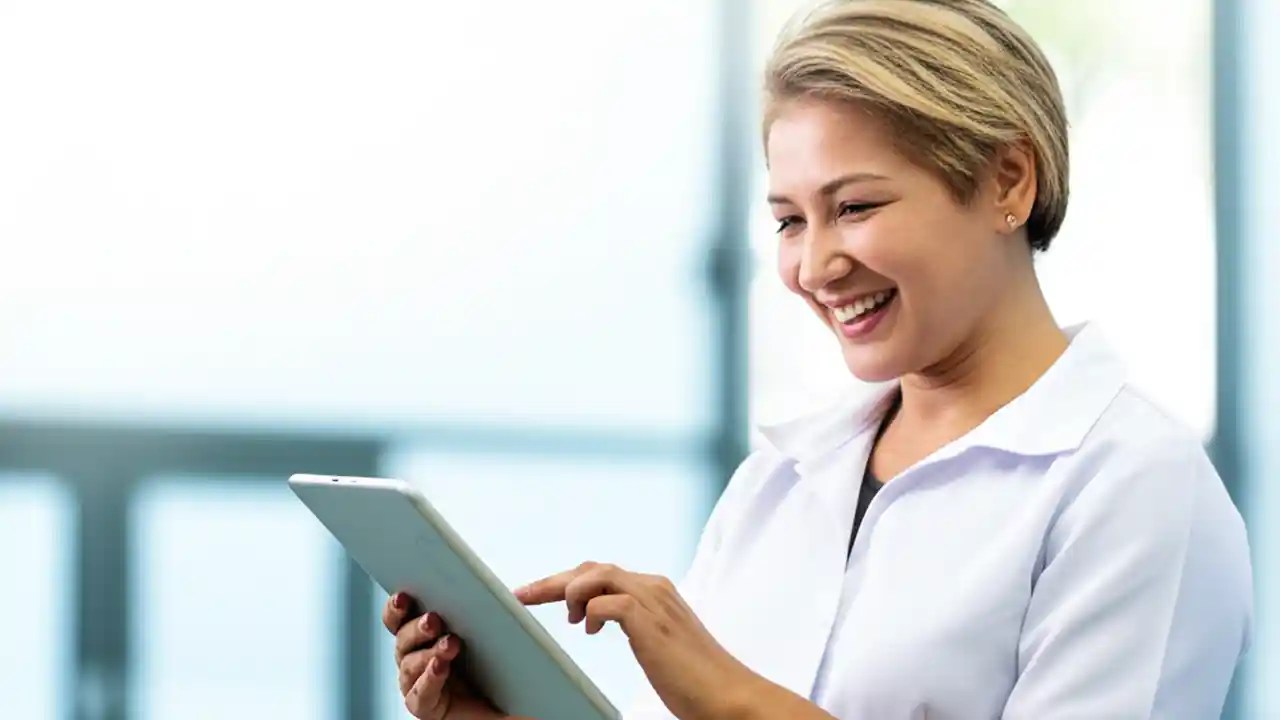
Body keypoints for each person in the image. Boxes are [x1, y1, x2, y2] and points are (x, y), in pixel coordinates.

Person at [381, 0, 1253, 717]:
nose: (815, 265)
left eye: (857, 206)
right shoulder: (779, 483)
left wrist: (729, 698)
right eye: (790, 221)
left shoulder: (1135, 488)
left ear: (1008, 182)